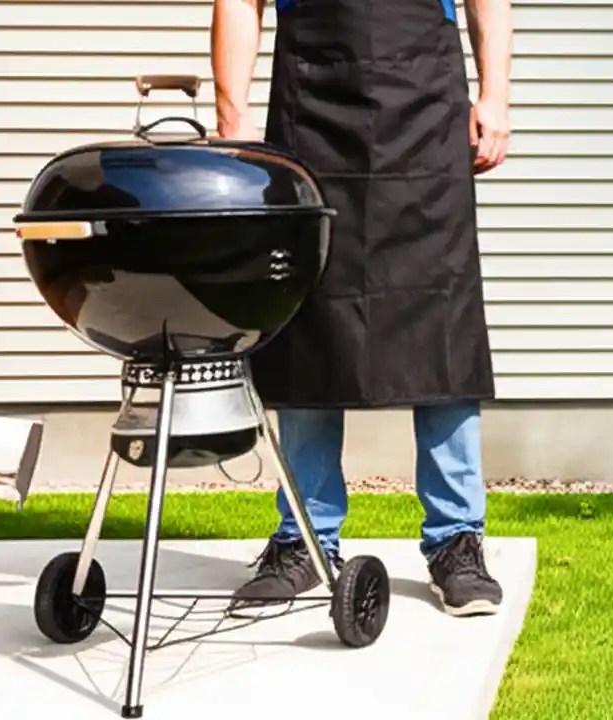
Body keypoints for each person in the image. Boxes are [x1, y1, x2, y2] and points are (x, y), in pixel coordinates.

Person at [210, 0, 512, 617]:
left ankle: (456, 541)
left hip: (427, 112)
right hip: (311, 109)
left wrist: (496, 96)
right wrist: (232, 119)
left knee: (442, 316)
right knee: (311, 319)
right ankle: (304, 539)